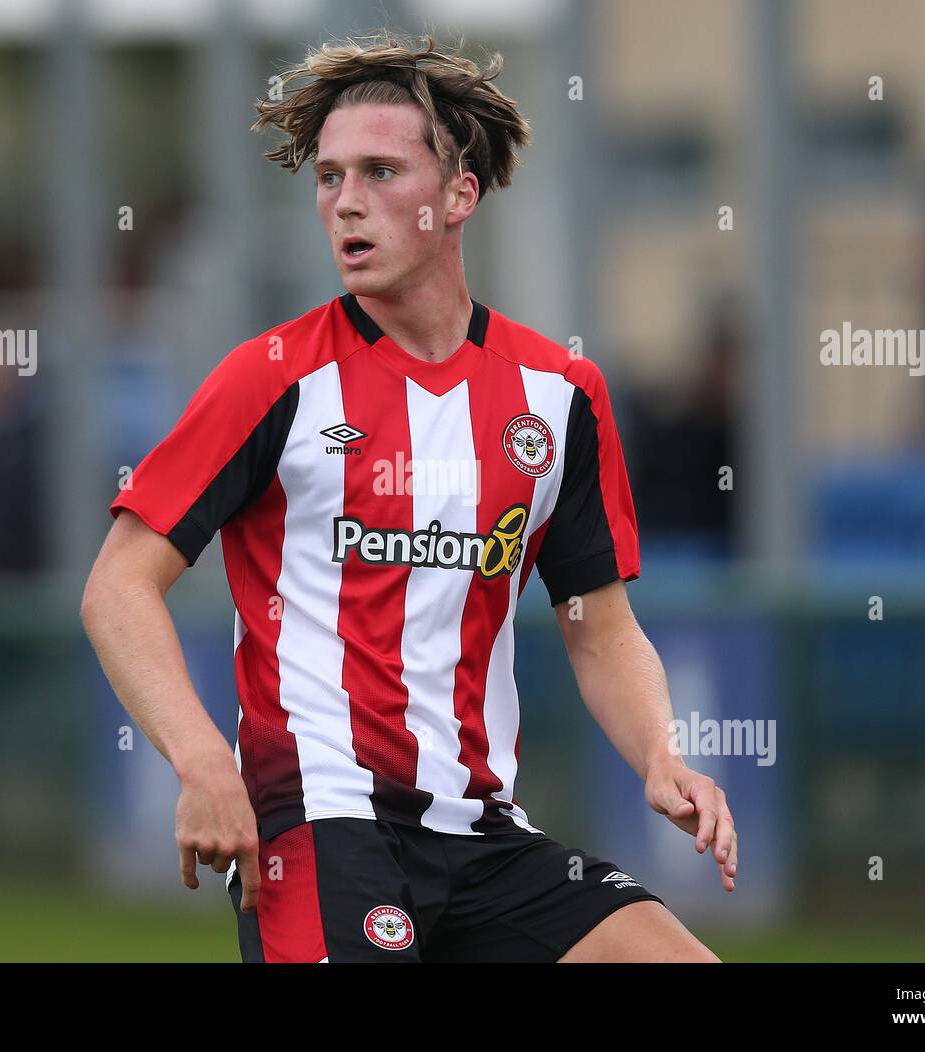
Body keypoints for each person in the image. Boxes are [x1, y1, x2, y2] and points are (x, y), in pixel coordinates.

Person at [82, 32, 735, 963]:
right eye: (330, 177)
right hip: (318, 829)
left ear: (459, 196)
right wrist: (202, 765)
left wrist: (661, 757)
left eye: (380, 171)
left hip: (482, 835)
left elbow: (600, 627)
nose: (345, 201)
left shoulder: (559, 394)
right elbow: (117, 588)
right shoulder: (272, 378)